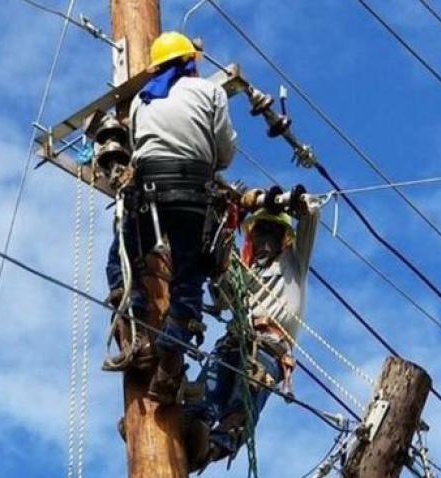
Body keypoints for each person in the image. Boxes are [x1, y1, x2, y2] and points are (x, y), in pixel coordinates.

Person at [102, 31, 237, 406]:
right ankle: (170, 362)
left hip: (146, 194)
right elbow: (224, 154)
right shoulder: (211, 92)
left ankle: (136, 336)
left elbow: (140, 147)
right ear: (190, 62)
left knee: (123, 263)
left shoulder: (141, 102)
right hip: (193, 194)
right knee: (188, 278)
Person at [184, 186, 321, 471]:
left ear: (284, 237)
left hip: (268, 349)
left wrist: (290, 202)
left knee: (239, 413)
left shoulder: (294, 264)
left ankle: (208, 449)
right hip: (231, 343)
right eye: (260, 232)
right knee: (199, 399)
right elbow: (221, 295)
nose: (264, 239)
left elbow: (312, 211)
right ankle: (185, 437)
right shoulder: (242, 270)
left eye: (272, 232)